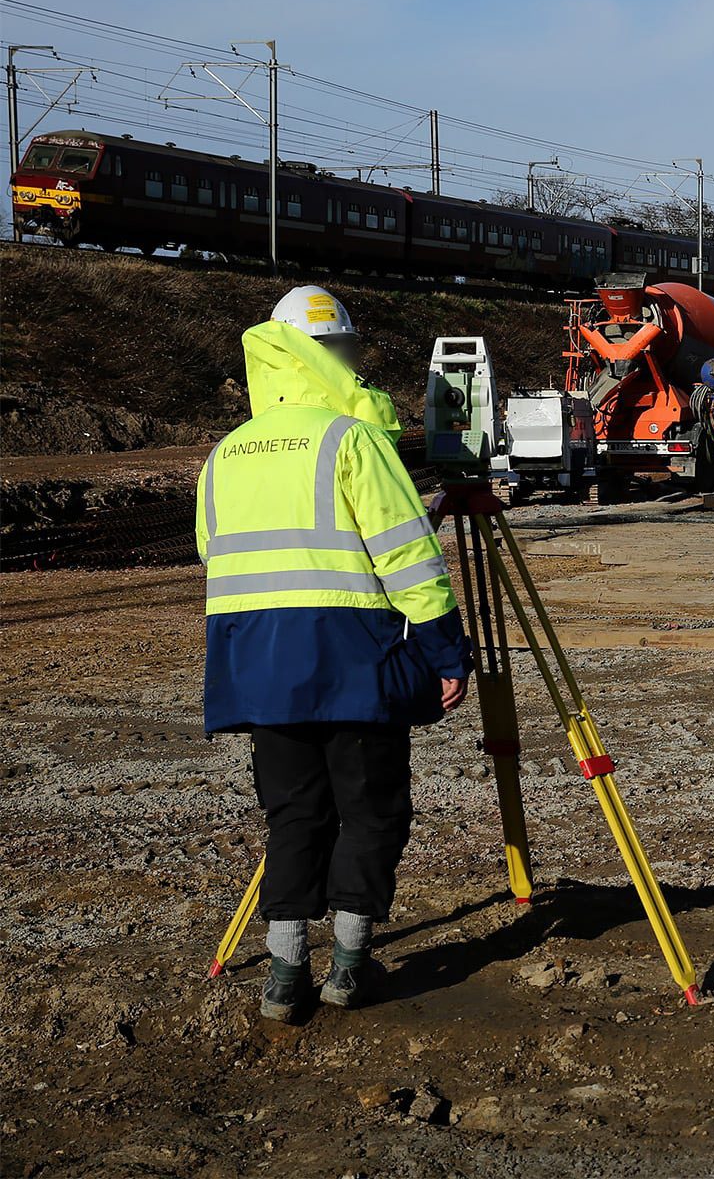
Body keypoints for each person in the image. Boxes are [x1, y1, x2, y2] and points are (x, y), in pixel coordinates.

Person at [195, 286, 472, 1021]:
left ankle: (285, 979)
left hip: (257, 667)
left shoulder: (225, 454)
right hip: (352, 661)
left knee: (293, 816)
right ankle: (349, 968)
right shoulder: (352, 441)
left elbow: (217, 557)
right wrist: (449, 654)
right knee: (373, 811)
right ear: (332, 358)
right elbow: (405, 559)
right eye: (351, 354)